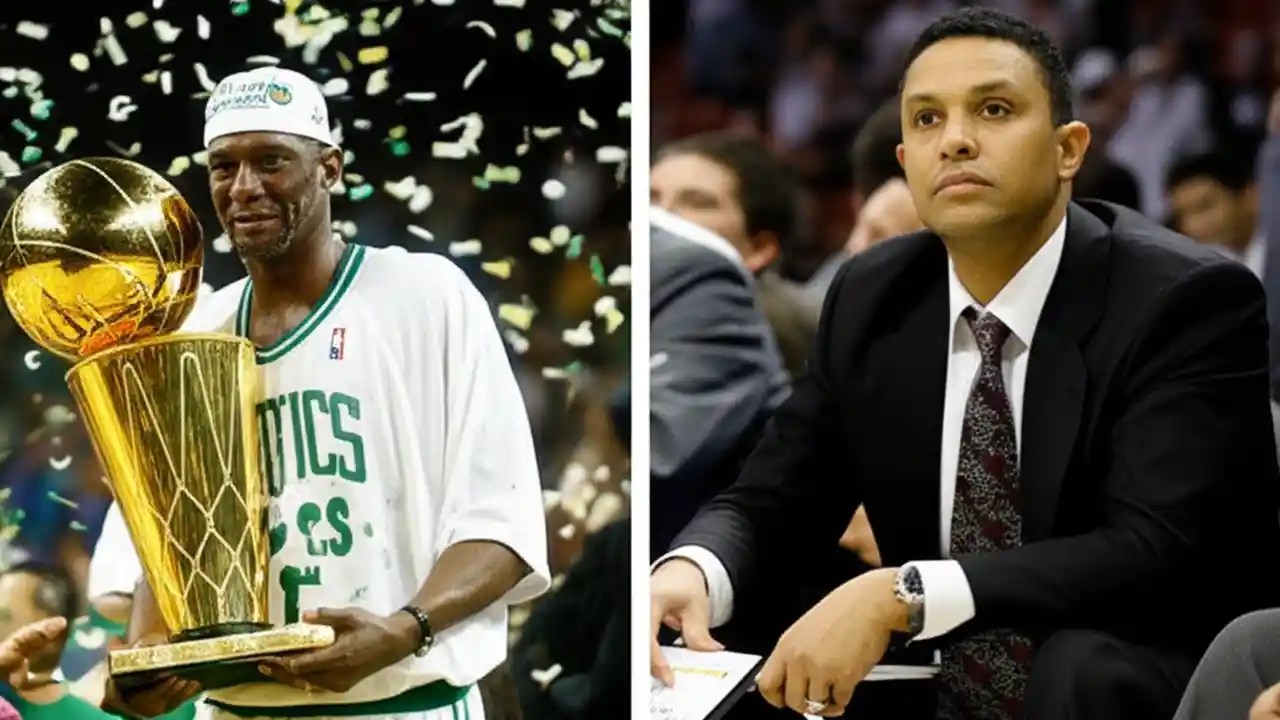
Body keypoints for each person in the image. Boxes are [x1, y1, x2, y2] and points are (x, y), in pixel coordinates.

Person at [649, 8, 1280, 720]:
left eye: (994, 109)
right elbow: (774, 494)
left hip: (1142, 671)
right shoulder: (871, 296)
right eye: (924, 120)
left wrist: (906, 593)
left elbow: (1153, 551)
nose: (954, 140)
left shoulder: (1183, 299)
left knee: (1080, 665)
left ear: (1068, 149)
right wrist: (694, 568)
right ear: (905, 162)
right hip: (938, 679)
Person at [97, 66, 550, 720]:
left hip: (401, 703)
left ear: (329, 168)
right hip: (234, 709)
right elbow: (164, 550)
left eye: (272, 162)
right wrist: (143, 665)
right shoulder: (193, 333)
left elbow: (501, 522)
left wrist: (405, 628)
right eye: (224, 167)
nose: (245, 187)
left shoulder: (427, 296)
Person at [649, 207, 789, 559]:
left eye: (697, 201)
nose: (666, 214)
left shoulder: (701, 277)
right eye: (652, 196)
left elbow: (660, 449)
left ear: (759, 246)